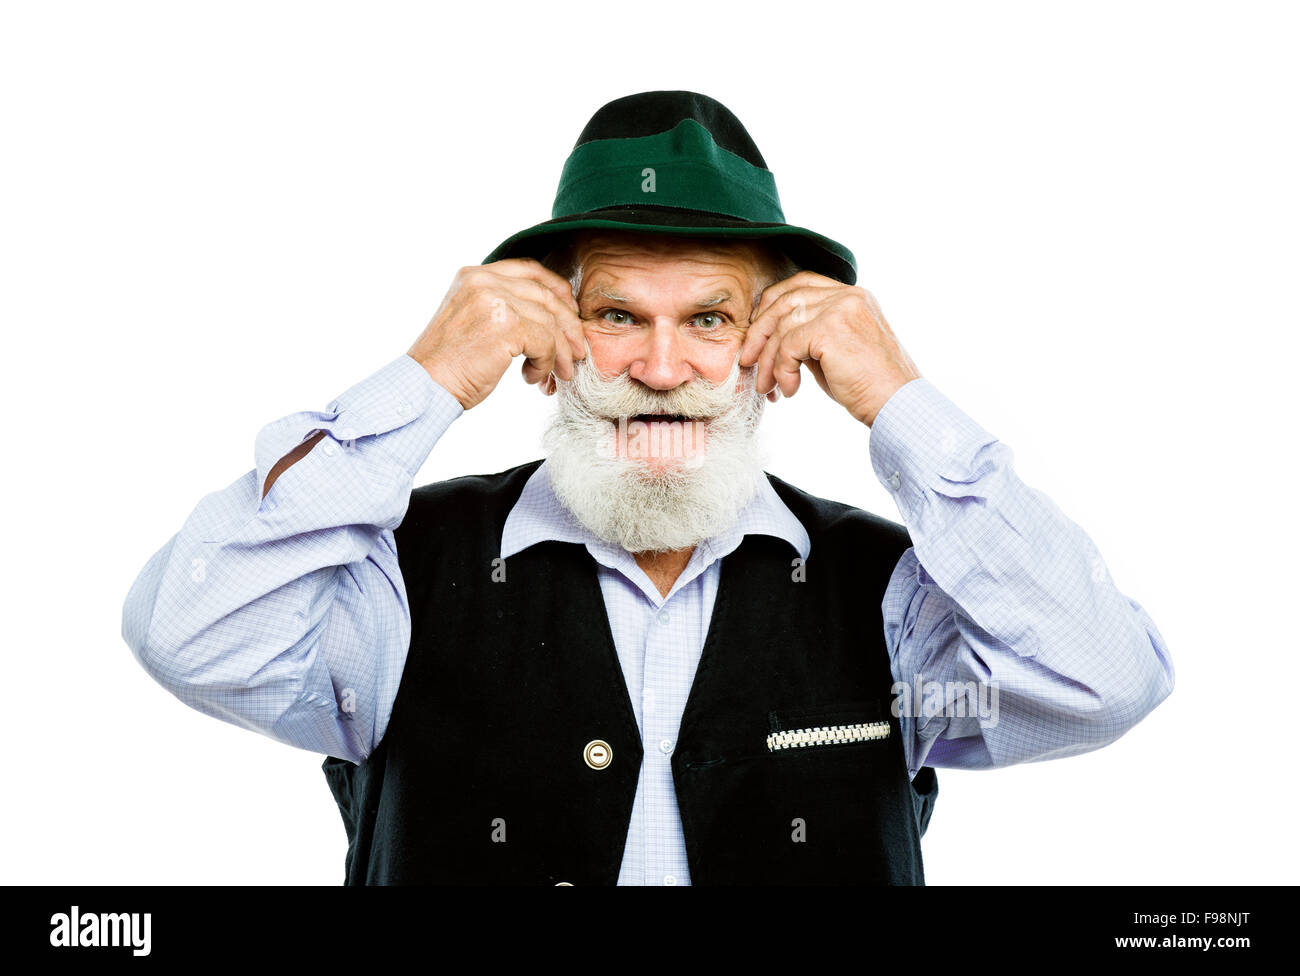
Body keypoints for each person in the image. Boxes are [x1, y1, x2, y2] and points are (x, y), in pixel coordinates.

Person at [121, 90, 1175, 885]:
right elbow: (193, 635)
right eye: (617, 316)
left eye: (710, 319)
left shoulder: (895, 610)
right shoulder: (392, 589)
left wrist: (901, 404)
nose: (662, 370)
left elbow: (1101, 683)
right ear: (542, 342)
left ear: (775, 345)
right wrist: (426, 380)